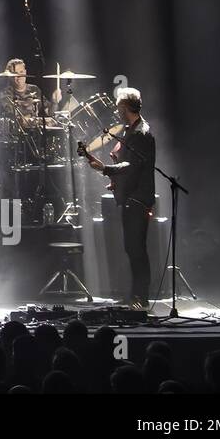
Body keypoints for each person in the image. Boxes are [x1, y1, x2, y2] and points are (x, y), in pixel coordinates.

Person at [81, 87, 156, 309]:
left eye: (118, 108)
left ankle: (141, 298)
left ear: (124, 108)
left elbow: (131, 166)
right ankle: (135, 296)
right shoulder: (130, 130)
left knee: (137, 249)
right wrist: (108, 171)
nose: (117, 112)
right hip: (131, 196)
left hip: (138, 198)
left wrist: (106, 169)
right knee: (132, 248)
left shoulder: (141, 133)